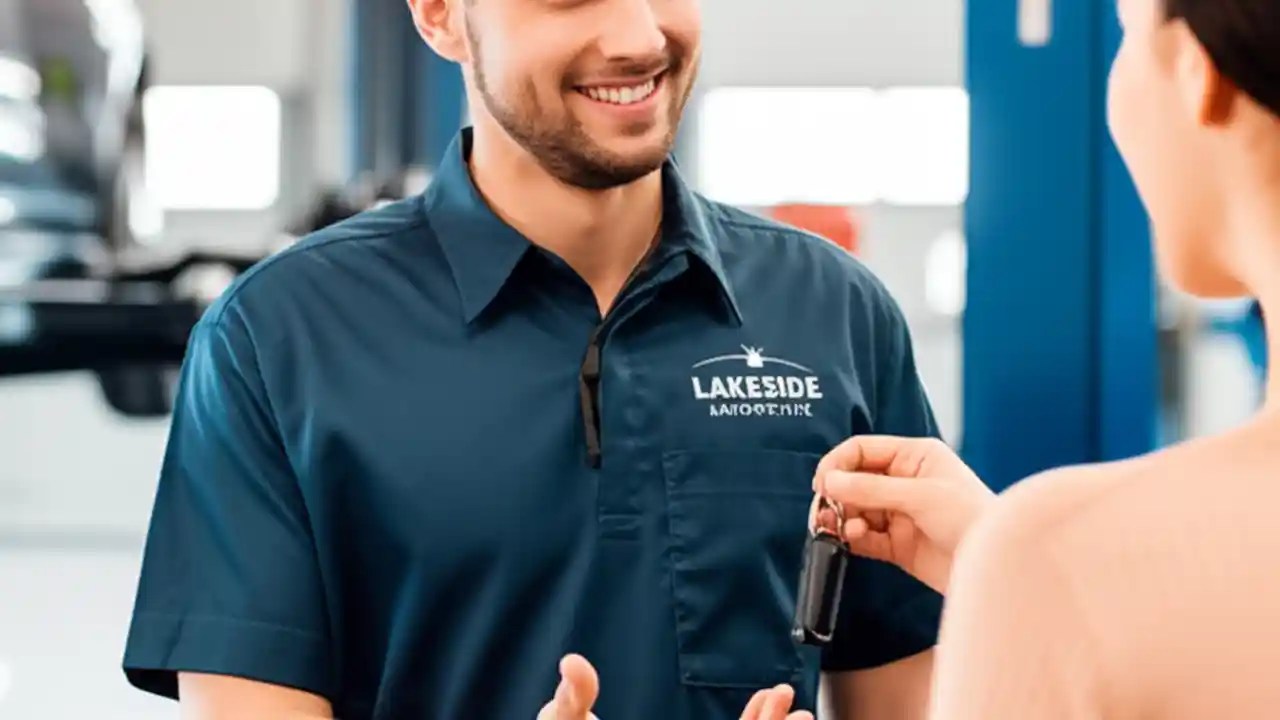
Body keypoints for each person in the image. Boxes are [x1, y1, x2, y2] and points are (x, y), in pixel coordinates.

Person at [120, 0, 944, 717]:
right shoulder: (277, 339)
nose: (636, 34)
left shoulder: (834, 314)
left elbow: (919, 693)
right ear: (441, 13)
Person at [811, 0, 1280, 717]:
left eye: (1127, 31)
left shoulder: (1056, 562)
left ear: (1196, 72)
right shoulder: (1057, 565)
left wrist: (1039, 575)